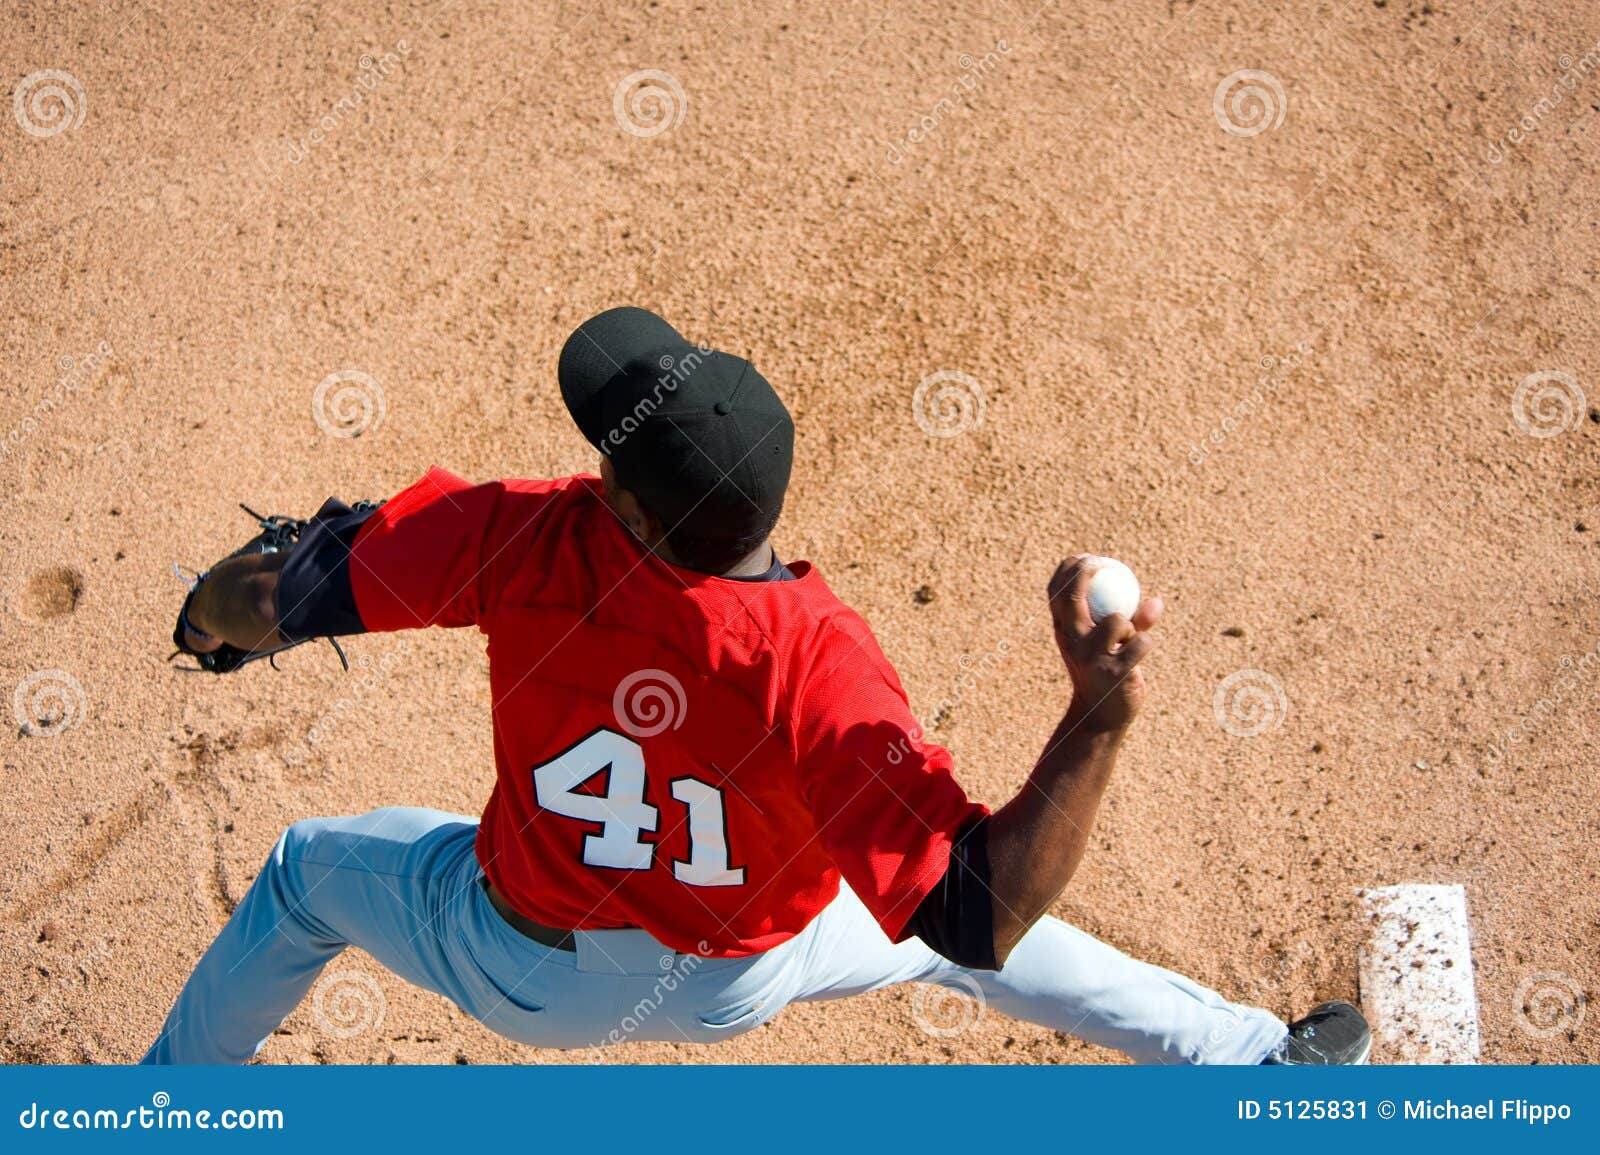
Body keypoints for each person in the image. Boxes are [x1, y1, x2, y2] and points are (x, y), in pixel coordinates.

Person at [145, 307, 1370, 1065]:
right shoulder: (819, 659)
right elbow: (979, 914)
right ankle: (1256, 1068)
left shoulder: (523, 536)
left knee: (304, 873)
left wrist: (209, 622)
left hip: (524, 970)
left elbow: (262, 605)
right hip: (738, 975)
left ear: (631, 508)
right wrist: (1095, 720)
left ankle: (163, 1113)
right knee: (942, 933)